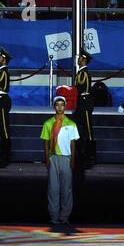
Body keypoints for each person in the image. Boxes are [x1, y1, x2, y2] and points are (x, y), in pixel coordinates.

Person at [41, 93, 79, 233]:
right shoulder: (48, 123)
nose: (60, 107)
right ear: (54, 107)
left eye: (62, 105)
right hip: (53, 158)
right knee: (53, 189)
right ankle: (54, 216)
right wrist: (47, 158)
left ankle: (64, 217)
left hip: (66, 158)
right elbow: (45, 142)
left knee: (66, 189)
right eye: (57, 105)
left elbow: (73, 144)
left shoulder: (71, 124)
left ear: (65, 106)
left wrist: (72, 160)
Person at [74, 49, 96, 167]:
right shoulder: (81, 72)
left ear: (83, 59)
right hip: (81, 104)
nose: (78, 59)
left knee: (88, 130)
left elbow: (81, 89)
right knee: (76, 127)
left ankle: (91, 156)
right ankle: (82, 153)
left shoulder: (84, 73)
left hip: (85, 103)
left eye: (80, 57)